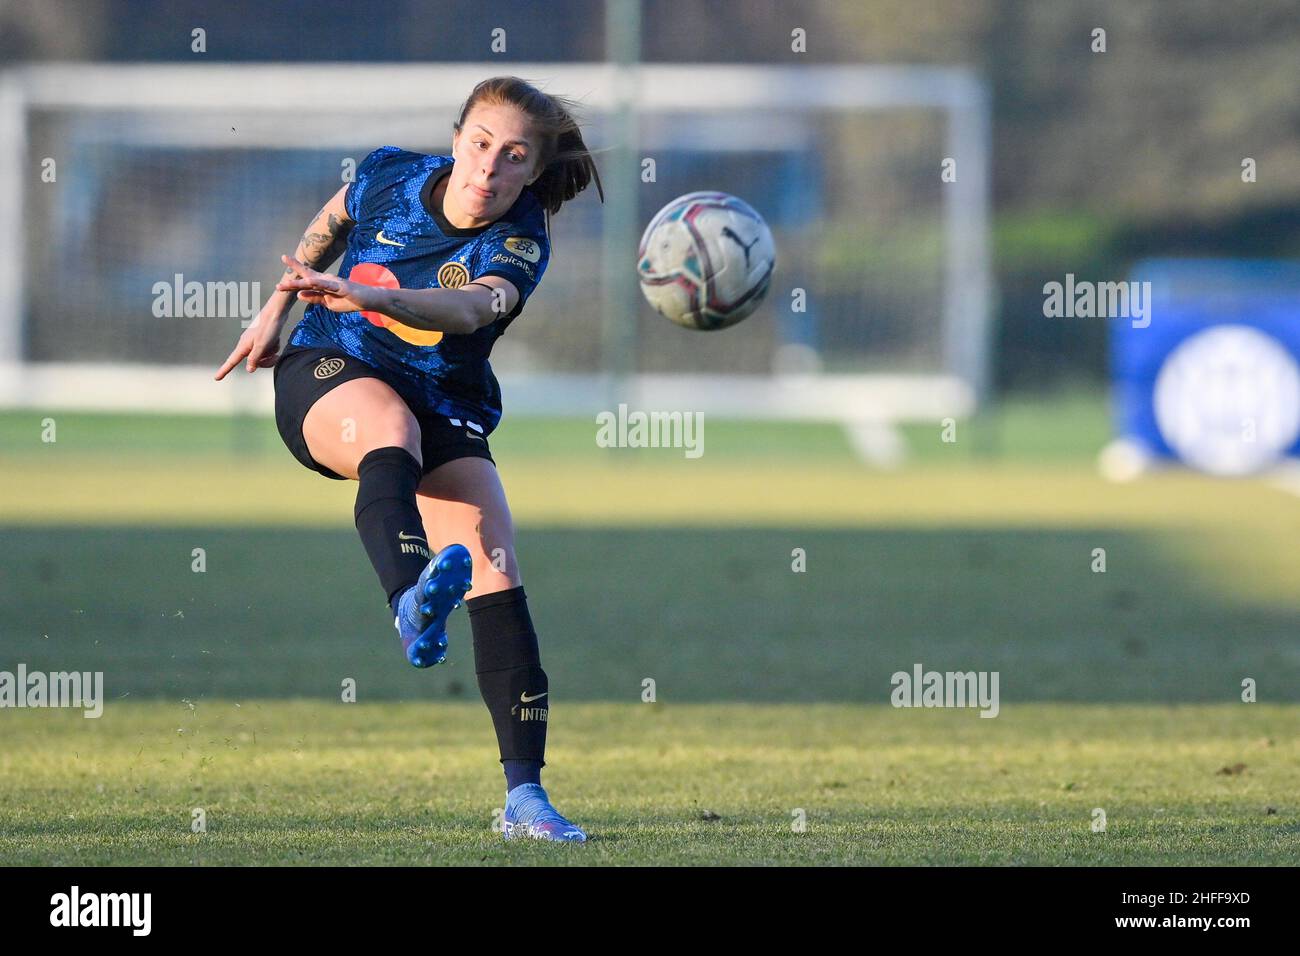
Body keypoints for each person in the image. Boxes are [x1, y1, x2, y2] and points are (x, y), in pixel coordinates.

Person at [214, 75, 603, 842]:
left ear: (532, 171)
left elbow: (467, 307)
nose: (489, 168)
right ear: (457, 136)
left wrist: (374, 297)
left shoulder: (520, 240)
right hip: (329, 371)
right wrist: (276, 306)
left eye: (513, 157)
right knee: (388, 428)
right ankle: (409, 599)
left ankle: (525, 800)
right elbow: (330, 221)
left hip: (442, 396)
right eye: (481, 144)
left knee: (495, 558)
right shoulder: (390, 170)